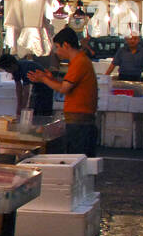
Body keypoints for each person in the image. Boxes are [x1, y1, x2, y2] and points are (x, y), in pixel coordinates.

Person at [33, 27, 98, 156]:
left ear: (66, 45)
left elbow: (64, 88)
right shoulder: (78, 61)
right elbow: (66, 86)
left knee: (77, 160)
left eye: (57, 47)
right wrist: (50, 79)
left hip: (80, 123)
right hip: (79, 121)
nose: (57, 52)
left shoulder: (79, 62)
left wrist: (44, 79)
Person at [0, 53, 54, 117]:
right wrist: (19, 106)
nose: (7, 71)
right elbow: (18, 87)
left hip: (46, 87)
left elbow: (26, 91)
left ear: (12, 65)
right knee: (33, 110)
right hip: (36, 87)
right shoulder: (15, 70)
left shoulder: (26, 68)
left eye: (6, 69)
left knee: (42, 113)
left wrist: (22, 109)